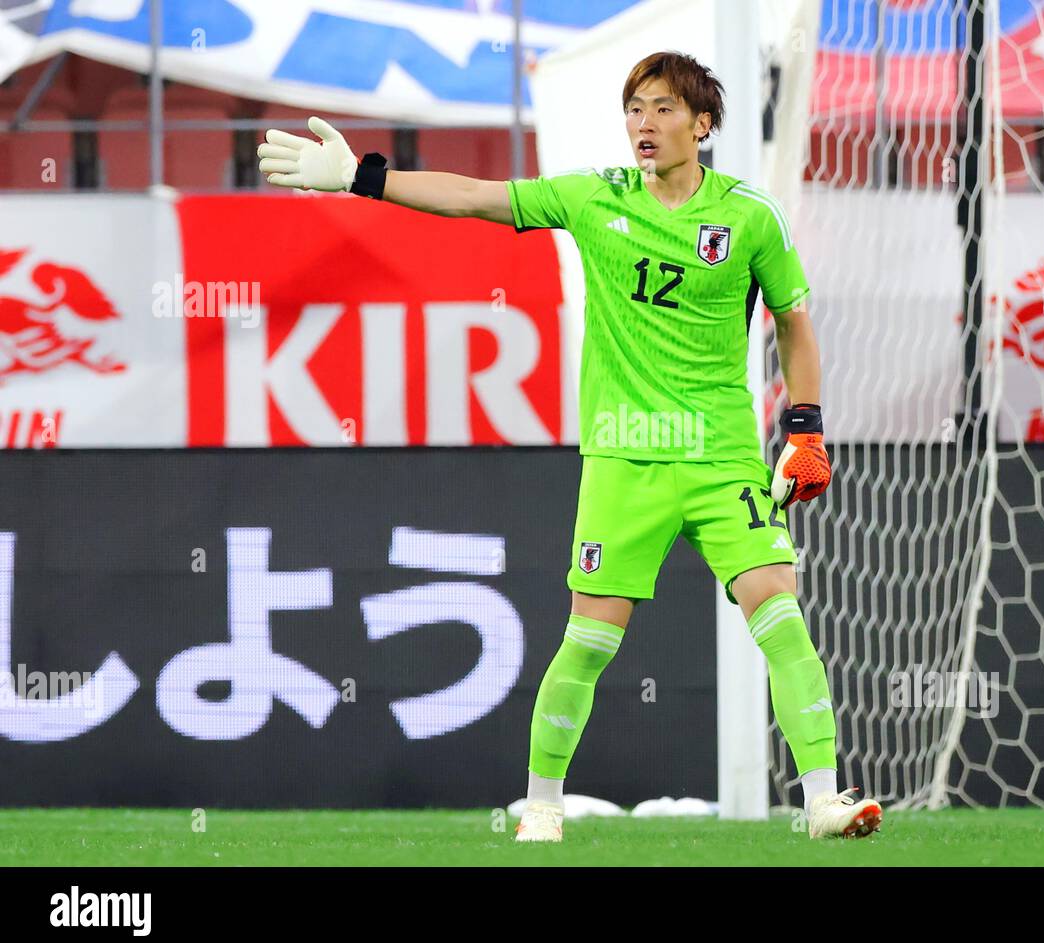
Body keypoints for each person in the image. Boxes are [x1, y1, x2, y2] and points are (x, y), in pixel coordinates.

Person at [258, 50, 881, 842]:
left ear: (704, 124)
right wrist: (363, 177)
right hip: (622, 460)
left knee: (781, 616)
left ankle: (823, 799)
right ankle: (543, 805)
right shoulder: (594, 198)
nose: (643, 125)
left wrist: (805, 426)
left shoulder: (751, 216)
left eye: (661, 109)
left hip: (722, 459)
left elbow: (794, 322)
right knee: (588, 640)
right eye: (634, 109)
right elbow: (475, 196)